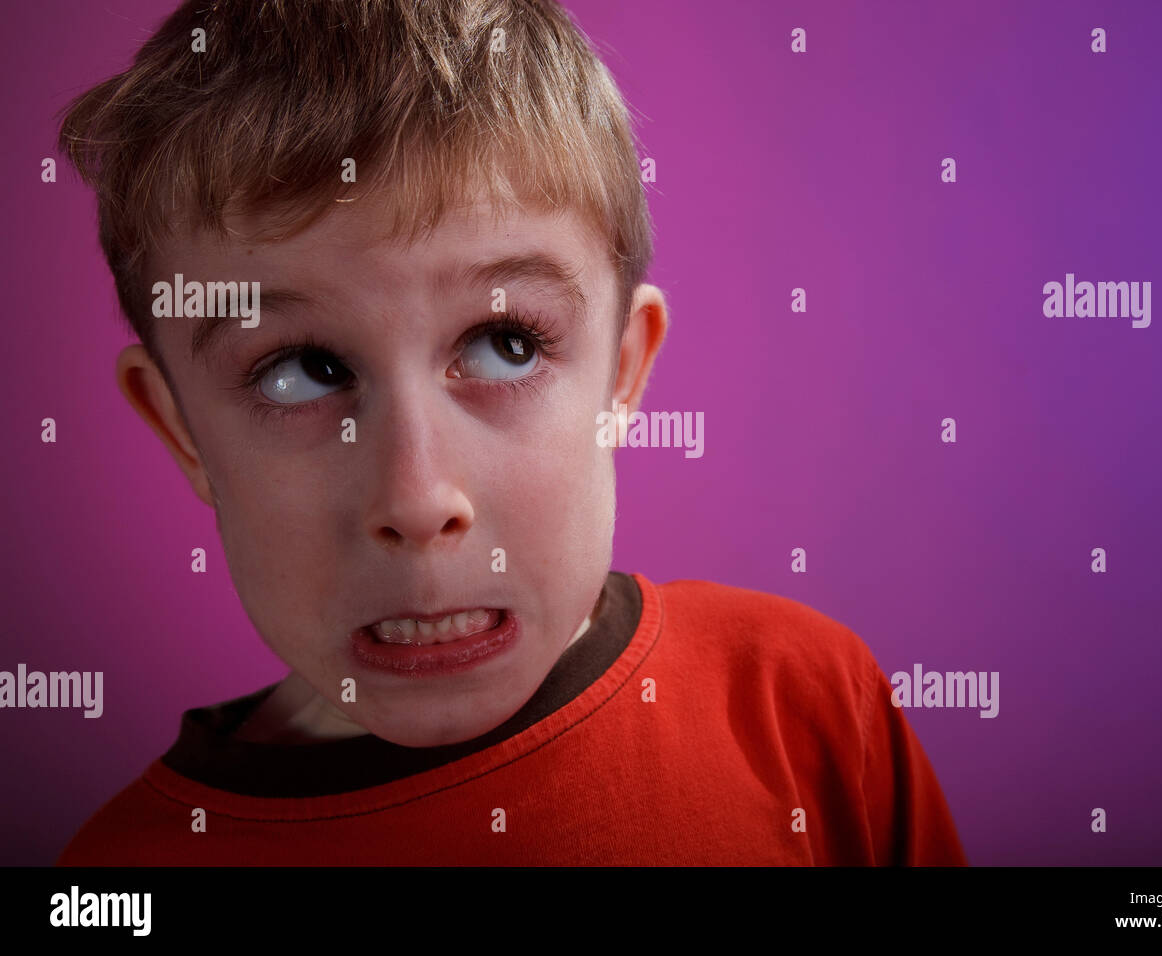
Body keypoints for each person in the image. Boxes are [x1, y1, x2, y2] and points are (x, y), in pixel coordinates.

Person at [53, 0, 966, 865]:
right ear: (181, 431)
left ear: (620, 371)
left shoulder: (802, 706)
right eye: (301, 371)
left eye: (504, 344)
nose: (415, 499)